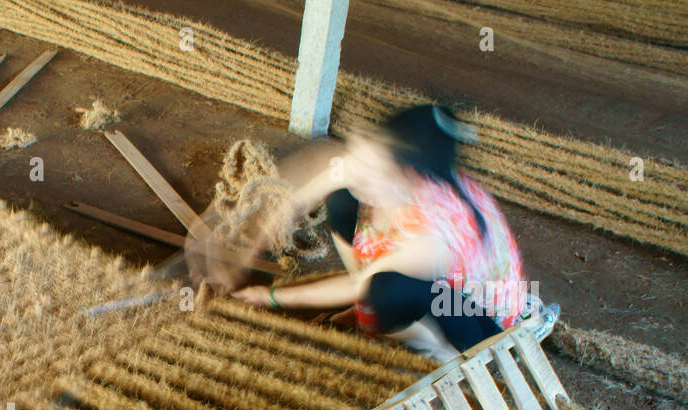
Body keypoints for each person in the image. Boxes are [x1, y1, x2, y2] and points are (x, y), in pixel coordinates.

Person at [225, 105, 527, 362]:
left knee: (386, 290)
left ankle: (440, 350)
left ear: (409, 175)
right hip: (425, 275)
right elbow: (303, 195)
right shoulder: (384, 159)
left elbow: (360, 284)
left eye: (381, 167)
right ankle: (372, 312)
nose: (365, 169)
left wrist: (271, 297)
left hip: (474, 319)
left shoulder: (435, 234)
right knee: (342, 199)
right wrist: (247, 249)